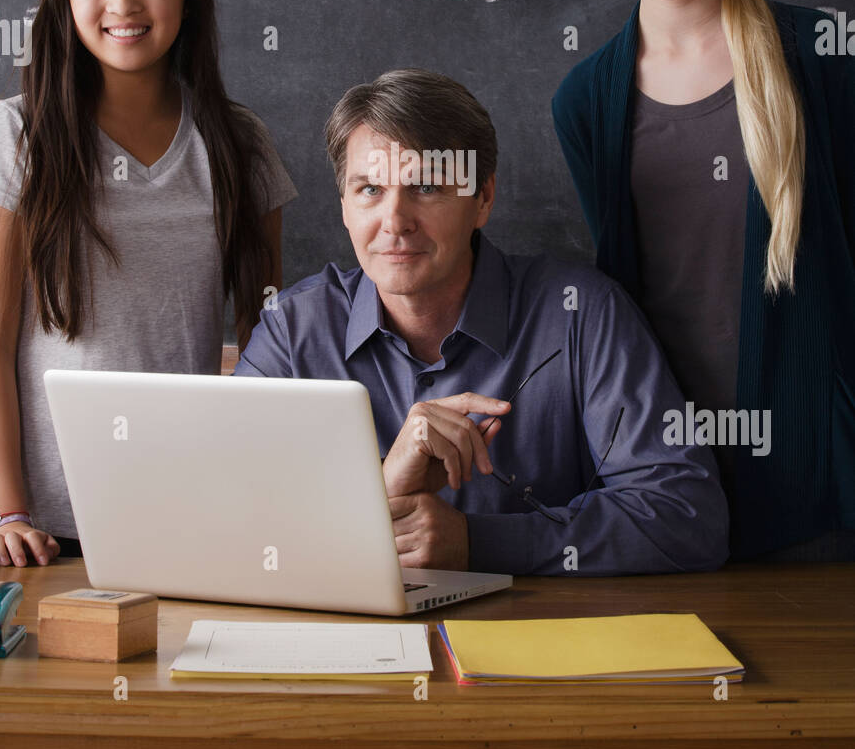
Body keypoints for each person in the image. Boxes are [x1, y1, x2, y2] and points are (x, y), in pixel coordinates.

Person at [234, 68, 728, 577]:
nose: (395, 220)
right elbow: (226, 518)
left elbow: (687, 516)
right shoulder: (292, 330)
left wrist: (475, 543)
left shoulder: (582, 313)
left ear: (483, 198)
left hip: (542, 641)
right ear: (343, 206)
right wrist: (379, 493)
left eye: (426, 186)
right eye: (369, 189)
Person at [551, 0, 855, 561]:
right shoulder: (586, 99)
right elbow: (626, 294)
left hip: (819, 471)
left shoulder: (826, 55)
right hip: (659, 469)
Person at [0, 0, 296, 567]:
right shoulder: (17, 135)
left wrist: (257, 496)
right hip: (41, 531)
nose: (123, 4)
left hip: (188, 513)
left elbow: (265, 344)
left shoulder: (238, 145)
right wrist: (5, 511)